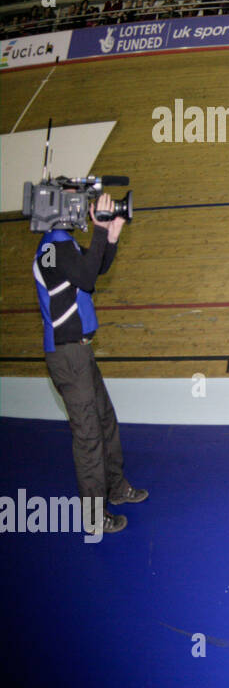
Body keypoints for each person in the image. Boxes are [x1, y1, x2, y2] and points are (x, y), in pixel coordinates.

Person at [34, 191, 146, 535]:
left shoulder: (63, 244)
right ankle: (95, 515)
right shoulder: (54, 248)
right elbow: (87, 279)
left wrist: (110, 236)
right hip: (68, 355)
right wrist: (99, 229)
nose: (83, 208)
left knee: (104, 421)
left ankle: (116, 487)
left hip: (79, 352)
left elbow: (93, 267)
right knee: (88, 437)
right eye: (75, 203)